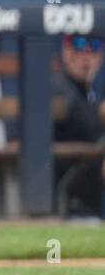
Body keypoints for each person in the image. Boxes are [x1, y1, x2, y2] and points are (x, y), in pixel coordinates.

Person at [53, 36, 103, 217]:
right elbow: (86, 124)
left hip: (86, 194)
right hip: (58, 191)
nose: (86, 56)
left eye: (94, 48)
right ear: (66, 51)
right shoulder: (57, 84)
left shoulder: (90, 91)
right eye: (79, 47)